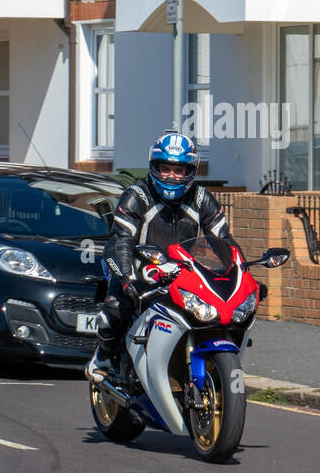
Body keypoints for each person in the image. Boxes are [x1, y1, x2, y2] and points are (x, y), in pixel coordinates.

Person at [88, 131, 239, 376]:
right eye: (165, 168)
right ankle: (102, 359)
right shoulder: (137, 196)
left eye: (179, 170)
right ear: (154, 167)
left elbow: (224, 241)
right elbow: (121, 241)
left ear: (190, 171)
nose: (171, 175)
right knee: (116, 310)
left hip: (185, 274)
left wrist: (240, 278)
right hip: (139, 271)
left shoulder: (202, 199)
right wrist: (127, 280)